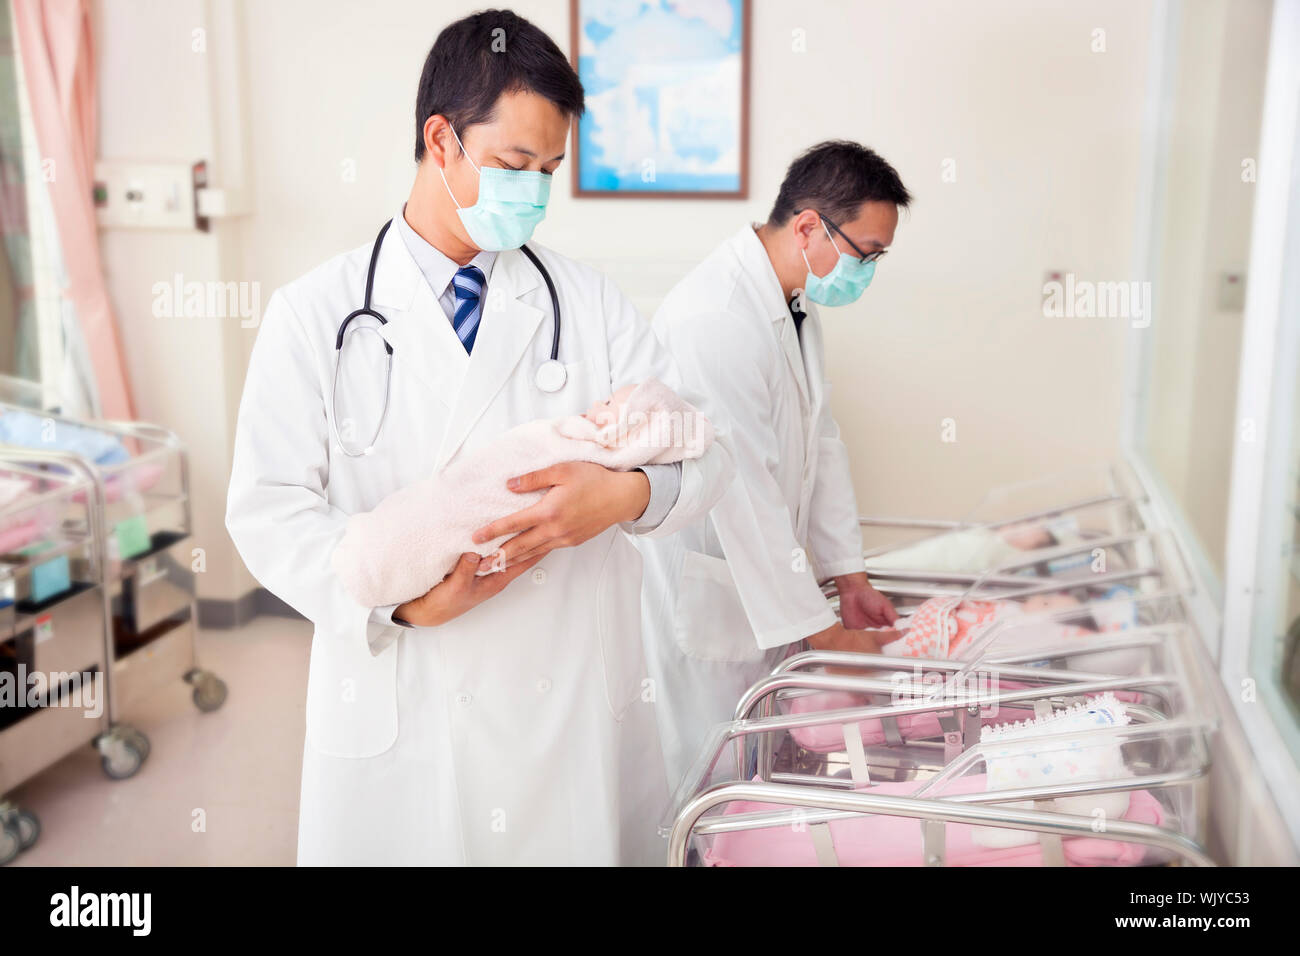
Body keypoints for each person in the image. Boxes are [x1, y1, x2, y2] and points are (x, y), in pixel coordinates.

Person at [225, 10, 732, 866]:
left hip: (562, 699)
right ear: (441, 140)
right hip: (404, 682)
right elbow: (266, 512)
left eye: (550, 170)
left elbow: (702, 452)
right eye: (514, 164)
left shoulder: (585, 301)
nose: (534, 190)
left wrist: (623, 495)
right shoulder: (315, 313)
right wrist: (403, 603)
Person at [636, 140, 911, 787]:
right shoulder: (717, 317)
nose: (867, 271)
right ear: (809, 225)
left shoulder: (791, 302)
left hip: (756, 589)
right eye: (865, 254)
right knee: (703, 776)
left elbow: (820, 440)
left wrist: (849, 575)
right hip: (708, 588)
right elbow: (743, 491)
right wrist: (824, 635)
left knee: (749, 767)